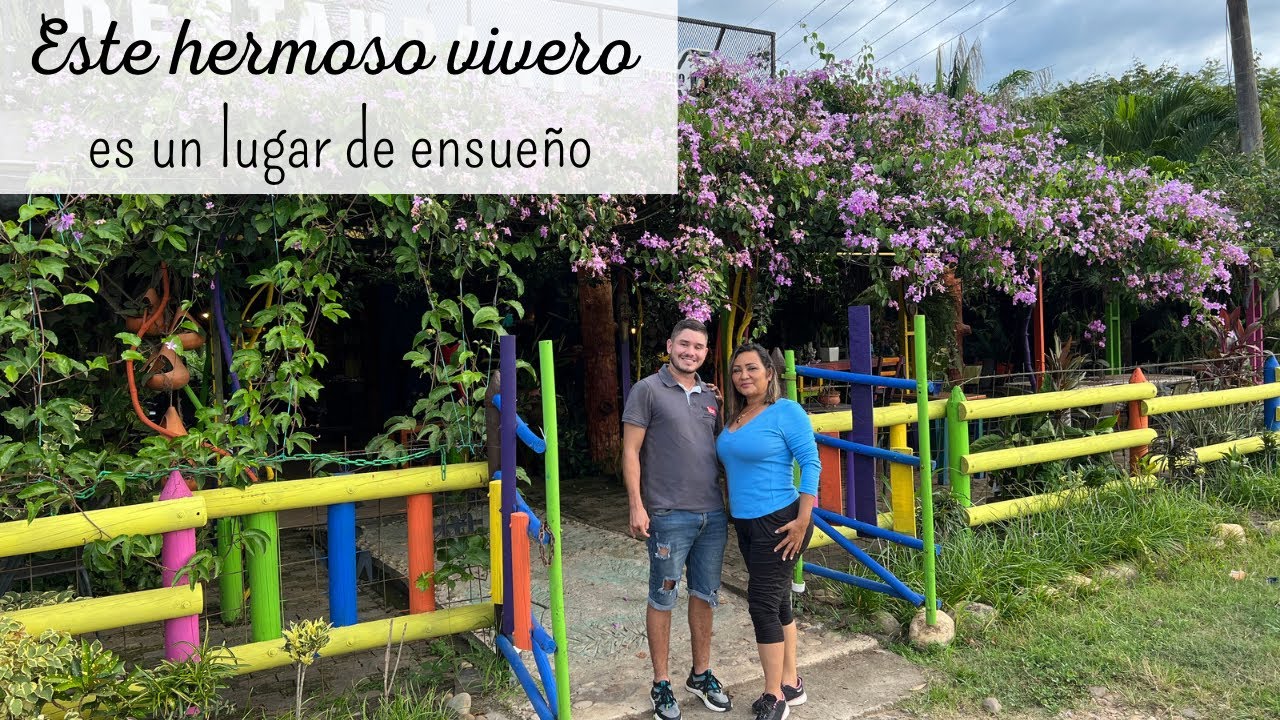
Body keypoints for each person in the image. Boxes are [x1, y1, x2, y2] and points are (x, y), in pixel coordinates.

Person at [621, 318, 733, 720]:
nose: (691, 352)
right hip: (667, 515)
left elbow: (724, 450)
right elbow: (631, 451)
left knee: (705, 595)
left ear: (706, 353)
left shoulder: (710, 397)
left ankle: (700, 675)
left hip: (712, 516)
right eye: (684, 344)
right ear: (669, 345)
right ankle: (661, 682)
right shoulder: (647, 390)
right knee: (663, 596)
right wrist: (636, 503)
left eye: (699, 347)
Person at [716, 343, 820, 720]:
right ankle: (791, 682)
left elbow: (811, 463)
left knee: (760, 604)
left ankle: (774, 695)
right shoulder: (737, 415)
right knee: (777, 603)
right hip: (746, 523)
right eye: (737, 370)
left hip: (782, 521)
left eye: (751, 368)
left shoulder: (785, 411)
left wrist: (804, 519)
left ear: (769, 373)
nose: (744, 375)